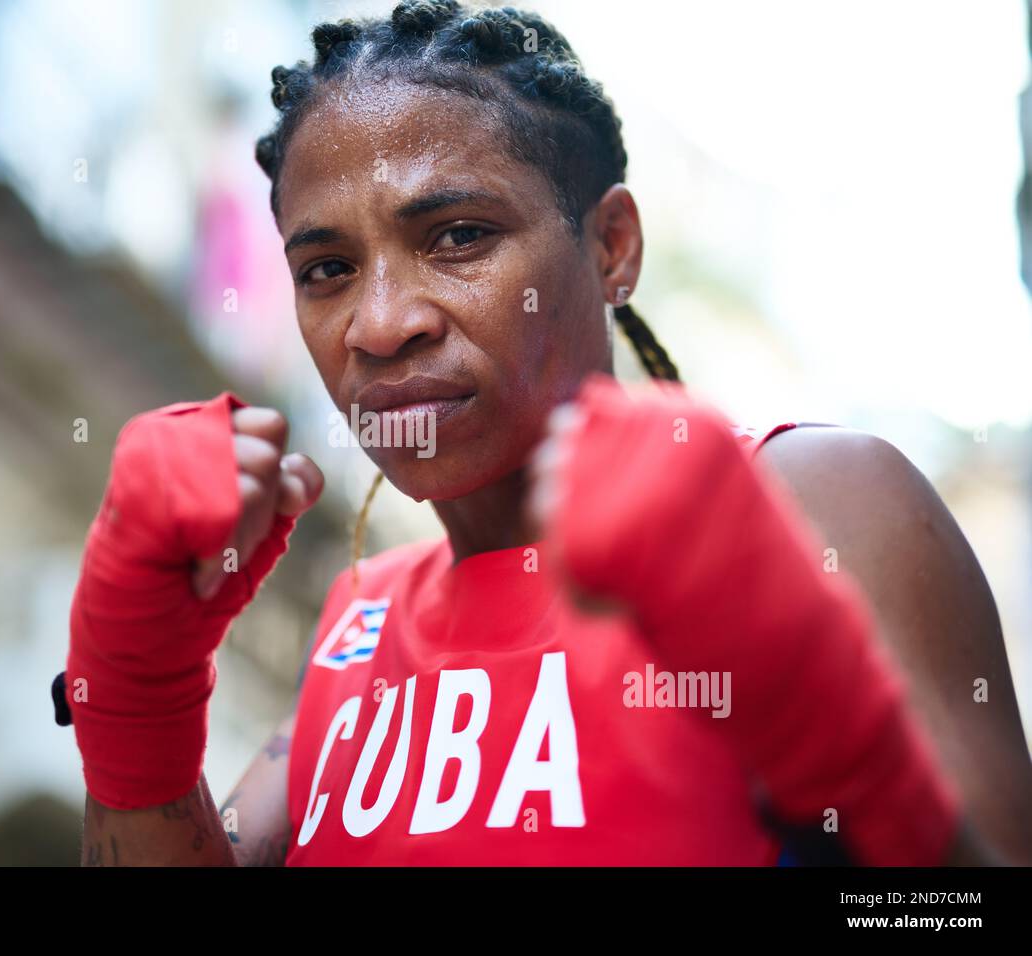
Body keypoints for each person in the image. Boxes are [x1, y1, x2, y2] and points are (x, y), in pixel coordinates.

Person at [63, 0, 1031, 866]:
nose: (381, 321)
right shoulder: (360, 623)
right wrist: (131, 685)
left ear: (610, 246)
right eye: (326, 268)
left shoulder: (822, 499)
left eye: (457, 236)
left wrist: (831, 733)